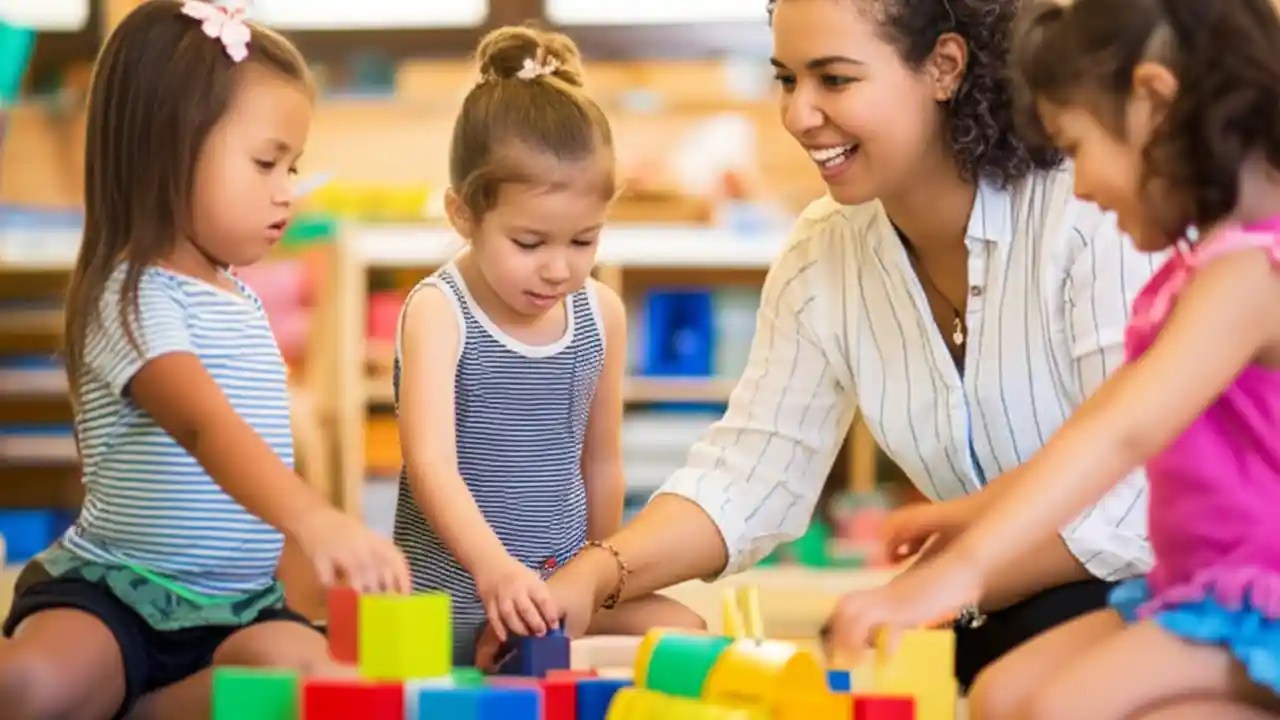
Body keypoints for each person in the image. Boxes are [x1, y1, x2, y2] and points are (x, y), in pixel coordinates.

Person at [479, 0, 1163, 686]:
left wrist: (938, 583)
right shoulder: (824, 253)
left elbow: (1134, 492)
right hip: (974, 616)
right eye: (786, 79)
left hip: (1148, 602)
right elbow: (748, 474)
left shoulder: (1090, 213)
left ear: (944, 68)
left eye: (834, 80)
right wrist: (597, 575)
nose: (799, 114)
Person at [826, 1, 1280, 718]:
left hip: (1258, 607)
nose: (1084, 186)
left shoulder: (1254, 271)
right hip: (1192, 593)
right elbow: (1101, 425)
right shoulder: (1202, 267)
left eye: (1077, 147)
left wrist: (966, 572)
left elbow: (1122, 436)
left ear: (1153, 105)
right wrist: (976, 513)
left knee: (1058, 710)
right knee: (1002, 695)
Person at [0, 2, 411, 718]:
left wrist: (308, 567)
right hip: (115, 595)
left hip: (238, 609)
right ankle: (124, 688)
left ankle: (142, 706)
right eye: (265, 162)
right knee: (32, 689)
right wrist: (318, 520)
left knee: (317, 684)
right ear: (168, 148)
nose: (287, 188)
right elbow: (206, 428)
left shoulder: (241, 300)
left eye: (294, 164)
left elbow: (260, 463)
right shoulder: (126, 297)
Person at [393, 25, 705, 666]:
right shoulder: (439, 311)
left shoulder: (601, 315)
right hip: (456, 594)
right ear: (463, 214)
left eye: (583, 241)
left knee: (689, 634)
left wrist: (604, 572)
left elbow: (602, 463)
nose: (560, 269)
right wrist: (495, 572)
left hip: (556, 591)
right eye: (530, 244)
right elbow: (432, 468)